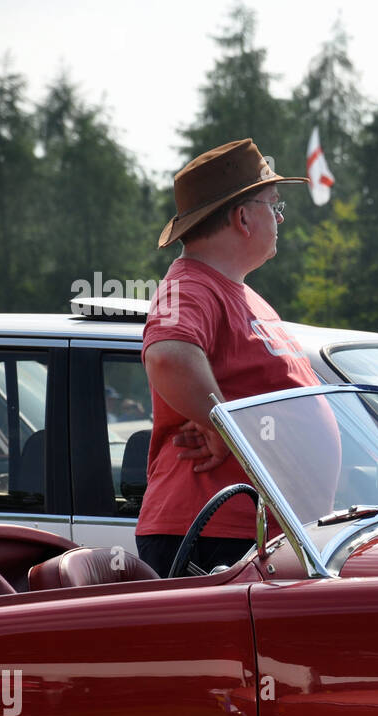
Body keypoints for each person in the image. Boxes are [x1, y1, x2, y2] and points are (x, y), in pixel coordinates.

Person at [136, 139, 322, 576]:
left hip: (245, 529)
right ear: (242, 217)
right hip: (214, 531)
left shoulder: (234, 291)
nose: (279, 218)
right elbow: (167, 356)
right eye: (273, 205)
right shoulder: (191, 285)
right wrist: (233, 430)